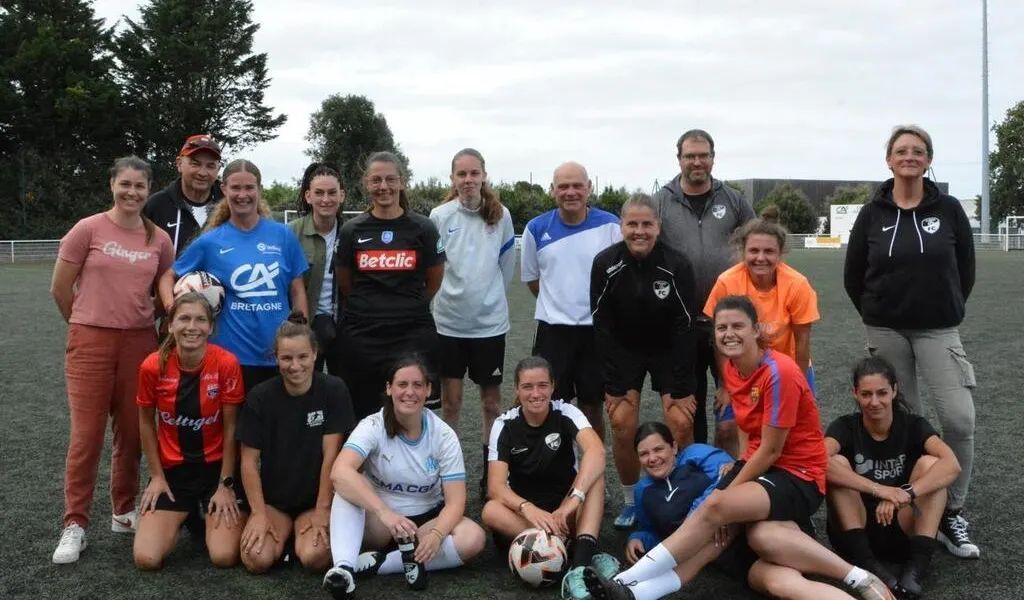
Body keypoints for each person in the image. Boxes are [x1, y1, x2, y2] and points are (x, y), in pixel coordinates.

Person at [583, 296, 895, 600]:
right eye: (721, 327)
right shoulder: (733, 369)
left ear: (756, 329)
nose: (728, 334)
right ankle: (634, 593)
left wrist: (729, 493)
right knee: (740, 540)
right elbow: (748, 433)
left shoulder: (779, 372)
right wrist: (739, 469)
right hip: (767, 479)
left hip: (798, 475)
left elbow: (770, 451)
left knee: (715, 507)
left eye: (737, 326)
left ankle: (624, 580)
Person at [843, 124, 979, 558]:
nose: (909, 157)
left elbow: (965, 269)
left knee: (959, 419)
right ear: (889, 160)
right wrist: (876, 312)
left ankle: (952, 509)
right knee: (904, 420)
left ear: (928, 160)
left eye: (918, 151)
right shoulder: (872, 213)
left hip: (938, 328)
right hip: (886, 328)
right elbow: (853, 275)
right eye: (901, 150)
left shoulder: (949, 209)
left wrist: (944, 306)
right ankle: (910, 504)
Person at [602, 422, 891, 600]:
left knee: (760, 536)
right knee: (782, 585)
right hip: (733, 558)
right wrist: (640, 537)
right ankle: (631, 593)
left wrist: (703, 516)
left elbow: (730, 479)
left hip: (752, 526)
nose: (653, 458)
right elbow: (658, 531)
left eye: (659, 449)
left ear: (674, 447)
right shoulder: (644, 492)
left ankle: (859, 577)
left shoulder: (696, 455)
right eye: (644, 454)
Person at [50, 156, 175, 564]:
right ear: (112, 185)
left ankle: (123, 511)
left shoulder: (158, 238)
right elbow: (60, 288)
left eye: (140, 186)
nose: (132, 192)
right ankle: (75, 524)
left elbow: (164, 292)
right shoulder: (87, 229)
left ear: (149, 190)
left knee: (133, 432)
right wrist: (85, 323)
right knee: (86, 437)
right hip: (90, 341)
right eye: (125, 184)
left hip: (139, 343)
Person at [323, 355, 485, 599]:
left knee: (473, 538)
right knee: (348, 485)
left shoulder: (443, 435)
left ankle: (382, 565)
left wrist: (437, 534)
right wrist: (385, 513)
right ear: (389, 388)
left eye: (418, 385)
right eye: (402, 384)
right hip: (380, 525)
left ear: (428, 390)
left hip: (424, 525)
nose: (410, 392)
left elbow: (456, 502)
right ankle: (343, 568)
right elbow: (339, 471)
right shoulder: (373, 425)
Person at [590, 193, 699, 529]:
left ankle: (685, 496)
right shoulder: (605, 263)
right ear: (621, 226)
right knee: (622, 422)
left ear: (658, 226)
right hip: (625, 351)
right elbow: (601, 324)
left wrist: (682, 387)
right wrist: (613, 383)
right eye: (632, 224)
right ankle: (631, 501)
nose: (639, 231)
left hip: (668, 349)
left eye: (646, 224)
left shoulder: (677, 264)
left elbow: (686, 325)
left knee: (681, 421)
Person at [158, 159, 309, 394]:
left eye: (249, 187)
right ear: (224, 189)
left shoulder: (283, 235)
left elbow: (297, 291)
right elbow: (168, 277)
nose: (242, 195)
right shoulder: (210, 242)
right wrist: (172, 309)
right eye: (235, 188)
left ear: (259, 189)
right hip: (231, 358)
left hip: (279, 355)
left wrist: (302, 338)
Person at [653, 129, 755, 455]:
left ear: (713, 158)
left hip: (728, 322)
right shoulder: (660, 202)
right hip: (680, 324)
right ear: (679, 159)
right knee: (687, 414)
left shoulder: (734, 200)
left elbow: (755, 246)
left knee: (733, 413)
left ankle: (729, 474)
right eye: (690, 156)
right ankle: (695, 471)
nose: (697, 162)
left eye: (703, 156)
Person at [826, 356, 962, 598]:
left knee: (932, 465)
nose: (874, 402)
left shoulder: (913, 425)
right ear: (855, 393)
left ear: (894, 391)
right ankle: (867, 564)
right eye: (866, 394)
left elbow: (952, 465)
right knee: (836, 464)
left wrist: (905, 493)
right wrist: (879, 489)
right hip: (857, 529)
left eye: (882, 393)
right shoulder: (844, 427)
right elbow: (817, 461)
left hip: (902, 524)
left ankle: (917, 567)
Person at [481, 356, 614, 600]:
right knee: (490, 510)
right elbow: (495, 487)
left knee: (596, 477)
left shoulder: (566, 412)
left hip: (567, 513)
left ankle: (578, 569)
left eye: (542, 385)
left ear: (553, 386)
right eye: (527, 386)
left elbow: (597, 451)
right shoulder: (504, 424)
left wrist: (573, 501)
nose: (535, 394)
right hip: (526, 520)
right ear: (517, 389)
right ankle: (578, 550)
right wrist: (527, 508)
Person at [520, 161, 620, 475]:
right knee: (551, 406)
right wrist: (559, 306)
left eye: (577, 185)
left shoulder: (611, 226)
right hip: (554, 332)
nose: (571, 192)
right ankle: (559, 474)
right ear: (553, 190)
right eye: (563, 186)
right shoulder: (536, 228)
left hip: (596, 333)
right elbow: (533, 280)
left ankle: (593, 475)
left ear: (589, 188)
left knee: (592, 407)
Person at [133, 292, 245, 570]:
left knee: (223, 556)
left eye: (200, 320)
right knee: (147, 559)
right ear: (170, 324)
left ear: (211, 326)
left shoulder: (226, 363)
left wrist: (226, 483)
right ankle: (187, 514)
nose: (192, 327)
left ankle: (204, 512)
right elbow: (146, 422)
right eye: (184, 319)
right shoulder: (152, 366)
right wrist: (156, 476)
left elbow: (231, 427)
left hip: (216, 471)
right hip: (174, 474)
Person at [237, 311, 355, 574]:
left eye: (302, 357)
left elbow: (331, 456)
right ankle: (283, 534)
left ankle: (296, 539)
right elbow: (248, 461)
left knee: (315, 558)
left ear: (315, 354)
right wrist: (258, 513)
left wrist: (323, 509)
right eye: (286, 358)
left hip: (314, 500)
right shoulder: (259, 397)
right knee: (256, 559)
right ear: (275, 358)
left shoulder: (334, 390)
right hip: (275, 502)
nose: (295, 366)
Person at [429, 148, 516, 499]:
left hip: (489, 327)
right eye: (461, 174)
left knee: (492, 405)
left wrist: (487, 300)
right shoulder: (439, 215)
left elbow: (506, 267)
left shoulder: (501, 215)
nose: (468, 180)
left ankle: (490, 478)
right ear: (452, 178)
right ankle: (449, 479)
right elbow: (435, 267)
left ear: (483, 176)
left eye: (474, 173)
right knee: (450, 405)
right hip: (449, 325)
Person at [334, 151, 446, 419]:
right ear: (367, 184)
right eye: (376, 180)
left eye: (390, 179)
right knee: (362, 414)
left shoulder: (423, 228)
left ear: (402, 182)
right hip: (363, 334)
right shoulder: (351, 230)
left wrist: (406, 306)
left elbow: (434, 280)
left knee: (410, 413)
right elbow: (346, 283)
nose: (383, 186)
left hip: (411, 332)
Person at [705, 207, 821, 456]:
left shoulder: (797, 285)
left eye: (769, 251)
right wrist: (725, 385)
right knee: (726, 429)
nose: (761, 258)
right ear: (742, 251)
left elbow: (802, 343)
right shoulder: (727, 282)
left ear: (780, 253)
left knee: (794, 432)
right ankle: (733, 474)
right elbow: (720, 341)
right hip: (742, 371)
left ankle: (783, 475)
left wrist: (798, 387)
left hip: (787, 369)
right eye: (754, 251)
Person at [288, 163, 346, 375]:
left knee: (343, 386)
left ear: (341, 196)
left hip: (344, 327)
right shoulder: (290, 233)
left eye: (332, 193)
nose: (326, 199)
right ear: (308, 196)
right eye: (319, 193)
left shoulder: (352, 232)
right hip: (305, 325)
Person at [143, 134, 224, 257]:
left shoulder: (229, 206)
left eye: (210, 166)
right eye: (195, 164)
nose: (203, 173)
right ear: (179, 164)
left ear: (218, 169)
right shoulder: (156, 206)